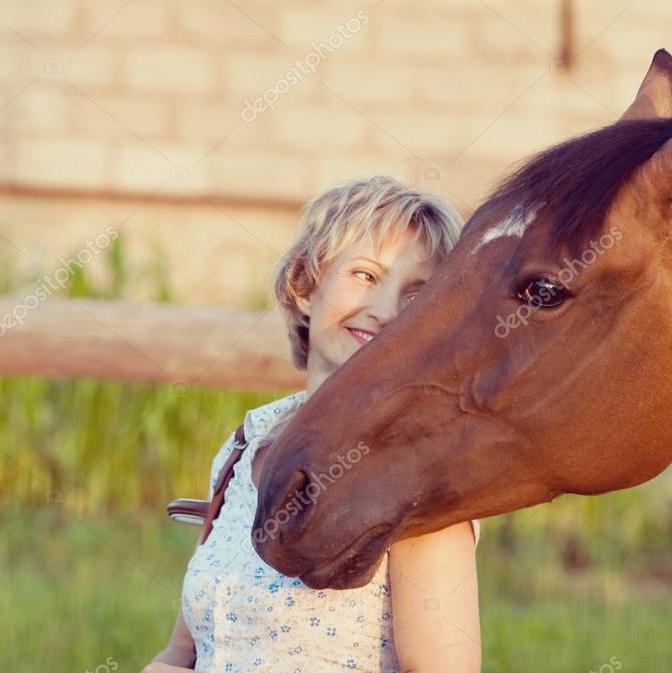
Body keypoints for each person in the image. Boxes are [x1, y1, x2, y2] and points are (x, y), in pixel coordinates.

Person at [144, 176, 480, 673]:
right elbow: (182, 655)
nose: (385, 312)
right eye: (366, 276)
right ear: (304, 284)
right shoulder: (246, 445)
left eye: (416, 295)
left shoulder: (419, 474)